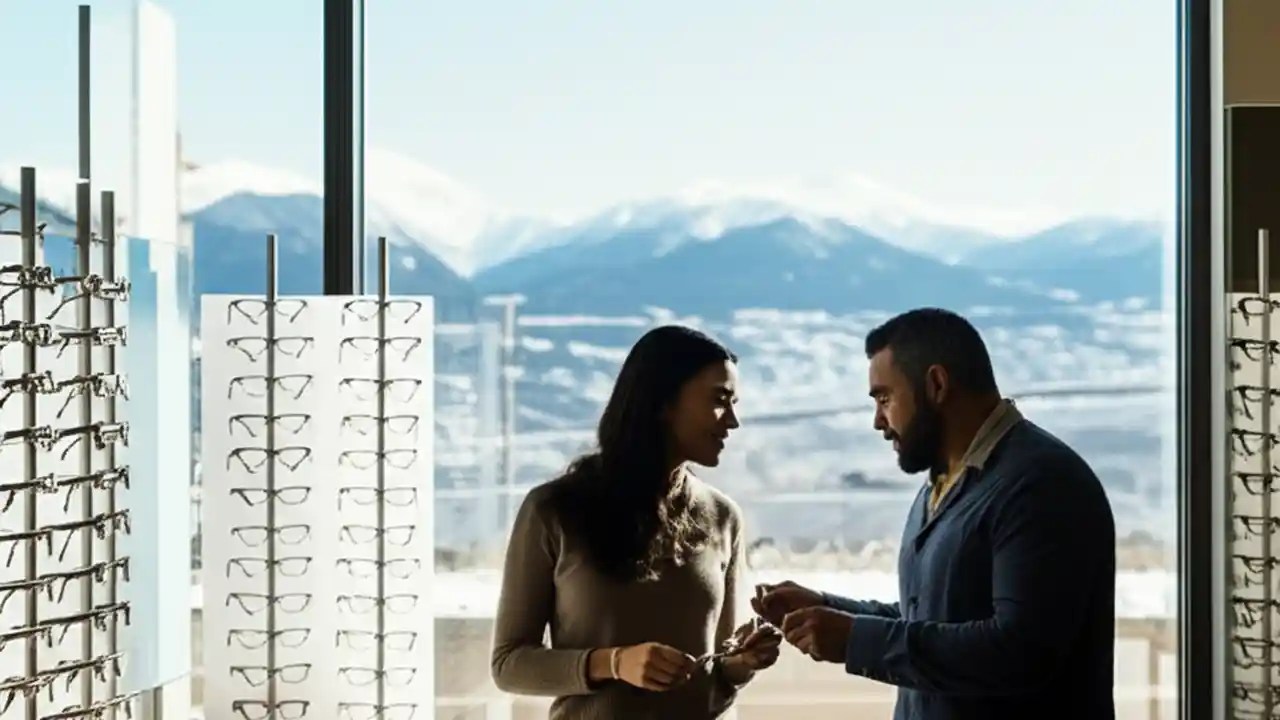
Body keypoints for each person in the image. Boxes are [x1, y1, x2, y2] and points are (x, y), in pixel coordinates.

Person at [755, 307, 1116, 720]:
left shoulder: (1040, 484)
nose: (878, 422)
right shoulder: (944, 484)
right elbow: (931, 618)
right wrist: (827, 609)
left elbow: (1018, 651)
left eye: (884, 398)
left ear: (936, 385)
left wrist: (857, 640)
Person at [491, 324, 782, 719]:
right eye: (720, 400)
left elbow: (720, 668)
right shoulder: (554, 510)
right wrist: (613, 663)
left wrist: (744, 661)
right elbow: (509, 665)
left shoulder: (723, 517)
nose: (733, 421)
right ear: (662, 402)